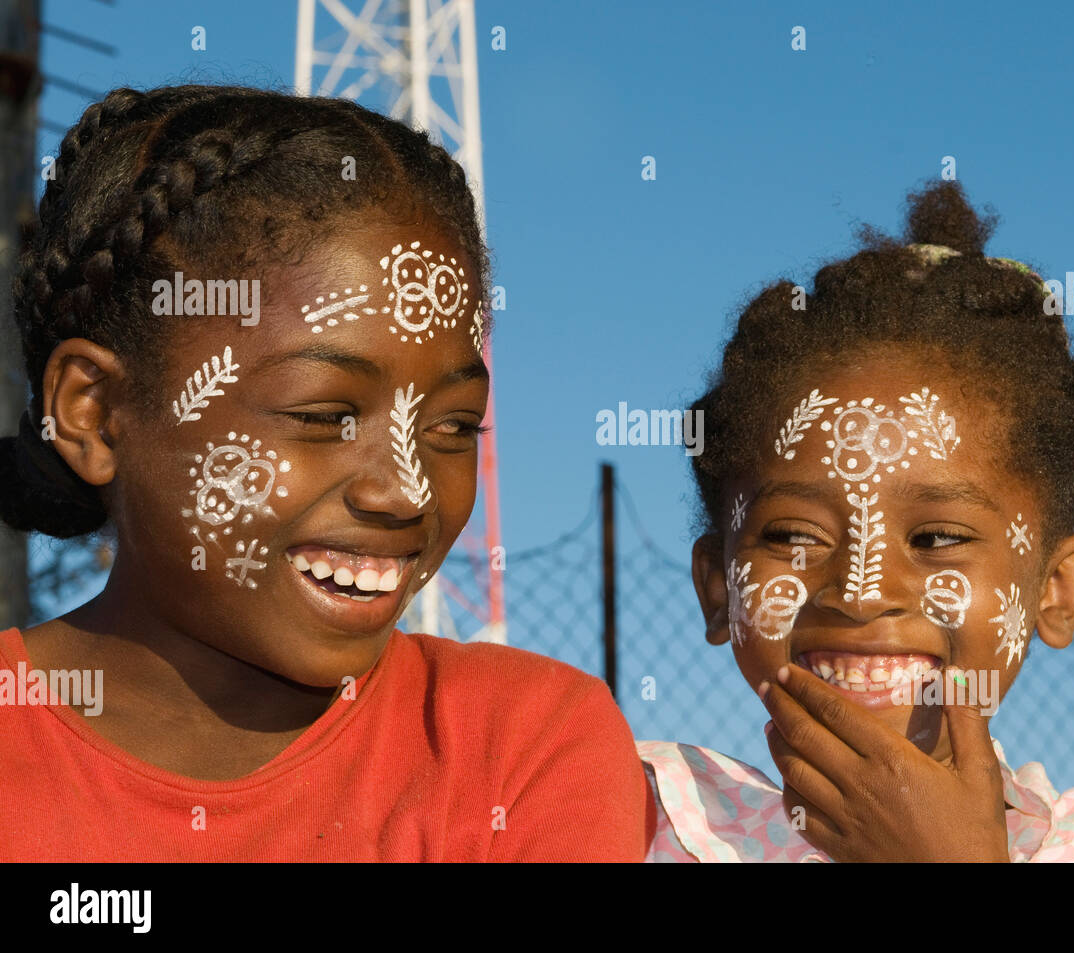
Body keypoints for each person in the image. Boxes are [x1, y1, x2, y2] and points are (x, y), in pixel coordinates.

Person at [0, 85, 646, 862]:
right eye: (321, 416)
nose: (404, 489)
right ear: (95, 411)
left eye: (453, 426)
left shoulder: (521, 746)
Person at [640, 180, 1074, 862]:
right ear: (719, 585)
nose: (863, 592)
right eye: (794, 536)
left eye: (937, 538)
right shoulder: (638, 821)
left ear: (1057, 588)